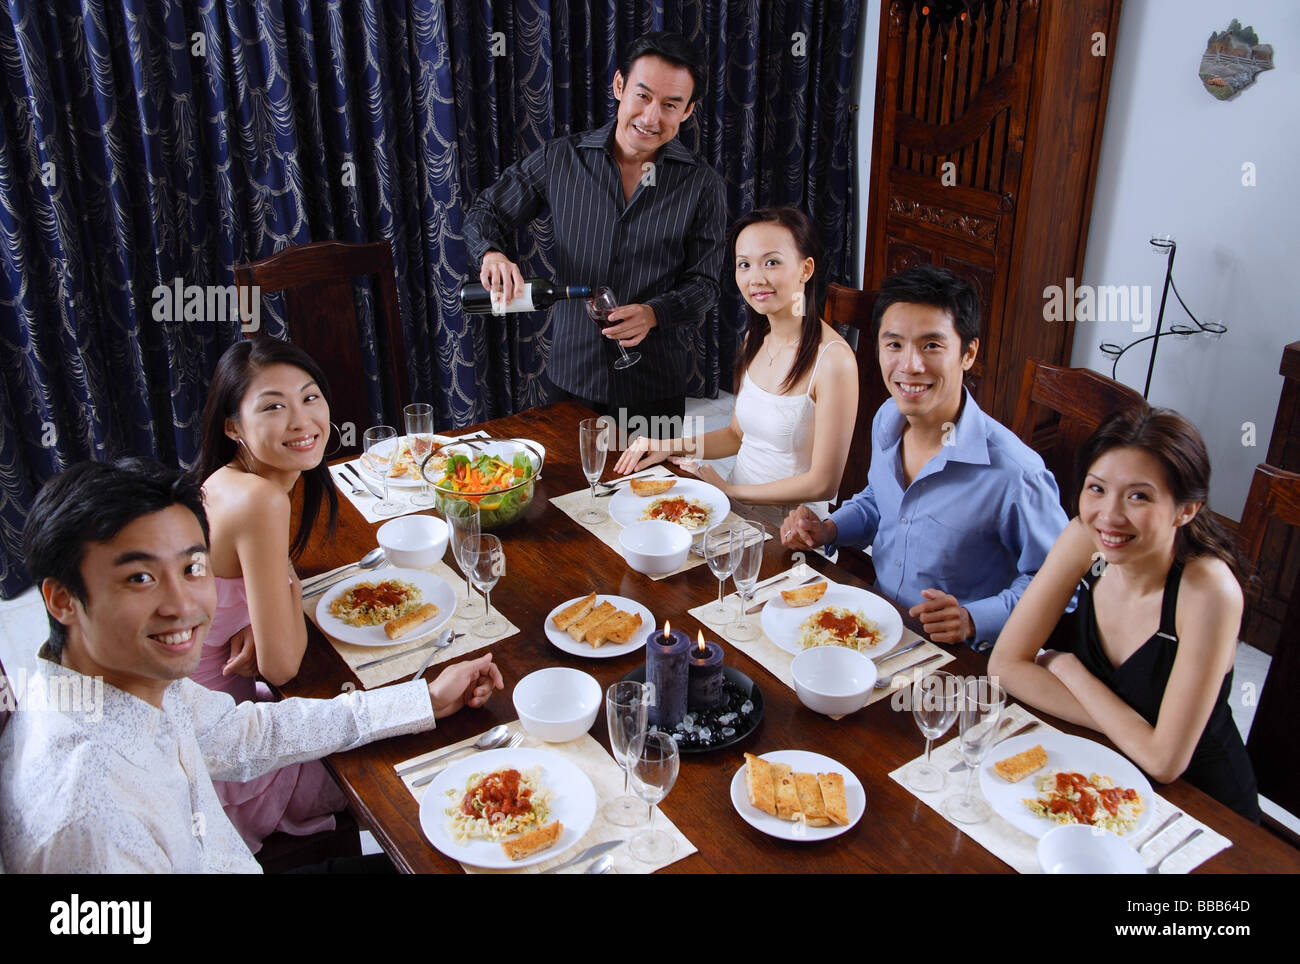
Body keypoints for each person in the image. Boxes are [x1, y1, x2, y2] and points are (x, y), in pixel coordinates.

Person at [0, 458, 503, 872]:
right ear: (62, 600)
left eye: (192, 568)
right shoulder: (88, 821)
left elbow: (244, 733)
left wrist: (424, 700)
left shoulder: (121, 680)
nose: (184, 605)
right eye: (139, 578)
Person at [989, 408, 1260, 820]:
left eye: (1139, 496)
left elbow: (1166, 762)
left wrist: (1067, 668)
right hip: (1104, 775)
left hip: (1200, 806)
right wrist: (1131, 734)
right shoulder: (1085, 539)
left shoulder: (1209, 591)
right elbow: (1005, 666)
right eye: (1096, 489)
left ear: (1186, 510)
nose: (1109, 515)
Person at [780, 264, 1068, 647]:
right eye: (894, 344)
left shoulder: (1016, 474)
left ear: (968, 353)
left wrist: (973, 619)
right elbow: (881, 500)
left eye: (932, 345)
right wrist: (829, 529)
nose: (910, 366)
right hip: (875, 628)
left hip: (960, 661)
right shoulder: (888, 417)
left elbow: (1061, 586)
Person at [464, 31, 726, 436]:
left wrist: (655, 313)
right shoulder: (560, 158)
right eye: (643, 95)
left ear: (688, 111)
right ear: (619, 86)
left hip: (653, 384)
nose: (651, 117)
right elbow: (487, 210)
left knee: (650, 498)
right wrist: (491, 254)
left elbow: (705, 284)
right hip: (573, 377)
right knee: (559, 495)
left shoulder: (702, 184)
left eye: (670, 104)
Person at [183, 336, 345, 851]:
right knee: (397, 750)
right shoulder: (260, 499)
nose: (302, 421)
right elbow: (281, 668)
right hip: (227, 763)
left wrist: (258, 611)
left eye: (310, 397)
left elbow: (251, 576)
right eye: (273, 406)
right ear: (233, 426)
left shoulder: (230, 479)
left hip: (208, 718)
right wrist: (276, 603)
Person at [612, 206, 857, 527]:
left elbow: (824, 484)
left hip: (792, 530)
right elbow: (735, 435)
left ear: (805, 269)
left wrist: (728, 489)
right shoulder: (754, 338)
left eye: (771, 262)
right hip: (732, 509)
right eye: (745, 264)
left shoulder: (834, 360)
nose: (756, 278)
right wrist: (665, 445)